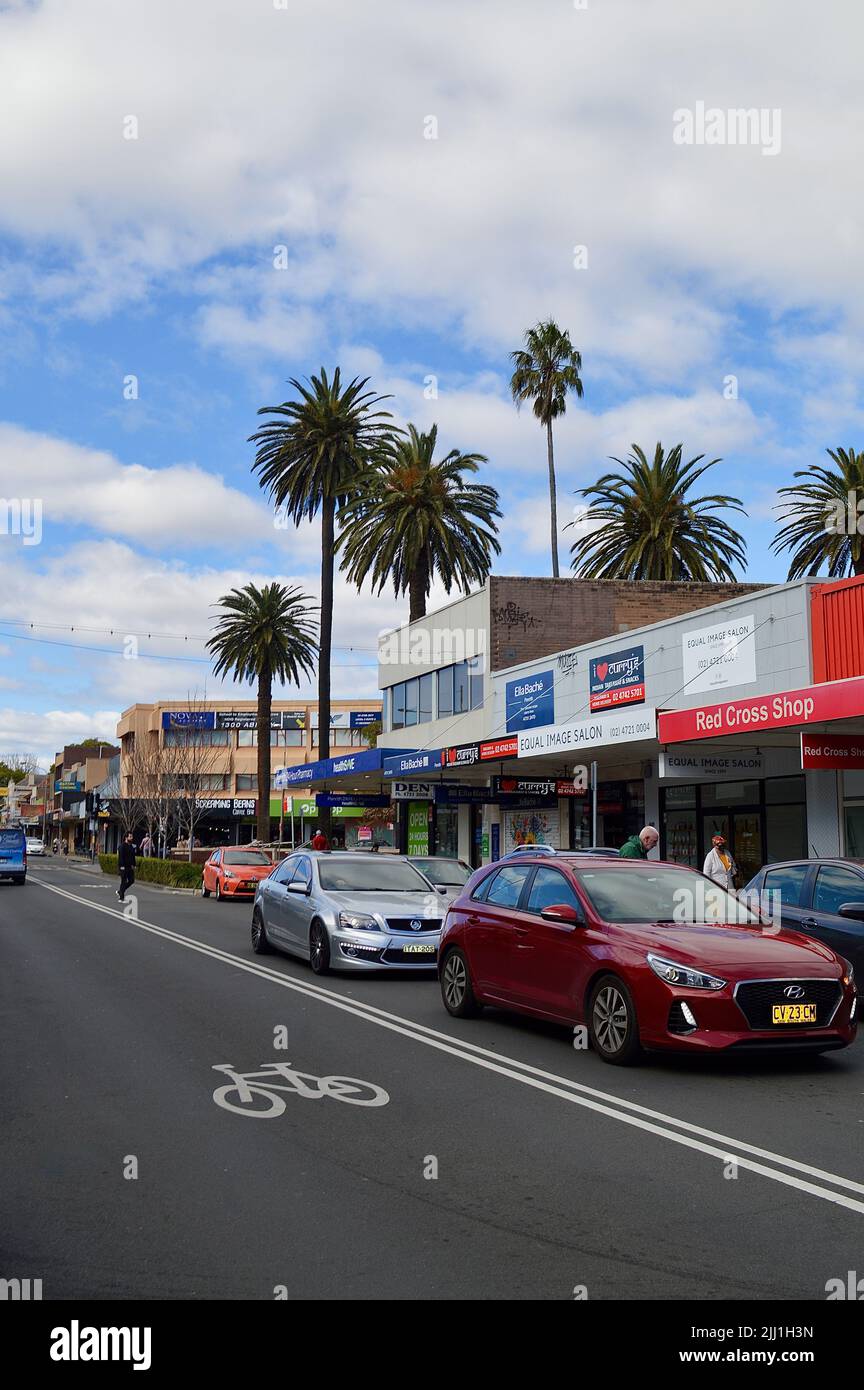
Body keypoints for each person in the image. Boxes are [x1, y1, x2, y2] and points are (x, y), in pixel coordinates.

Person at [117, 832, 137, 901]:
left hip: (129, 867)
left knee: (131, 880)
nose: (132, 838)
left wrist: (134, 865)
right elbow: (121, 857)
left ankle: (120, 891)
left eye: (132, 836)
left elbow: (133, 857)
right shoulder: (122, 846)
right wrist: (122, 866)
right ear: (126, 837)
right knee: (124, 881)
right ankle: (121, 897)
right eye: (130, 836)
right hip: (123, 867)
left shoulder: (131, 846)